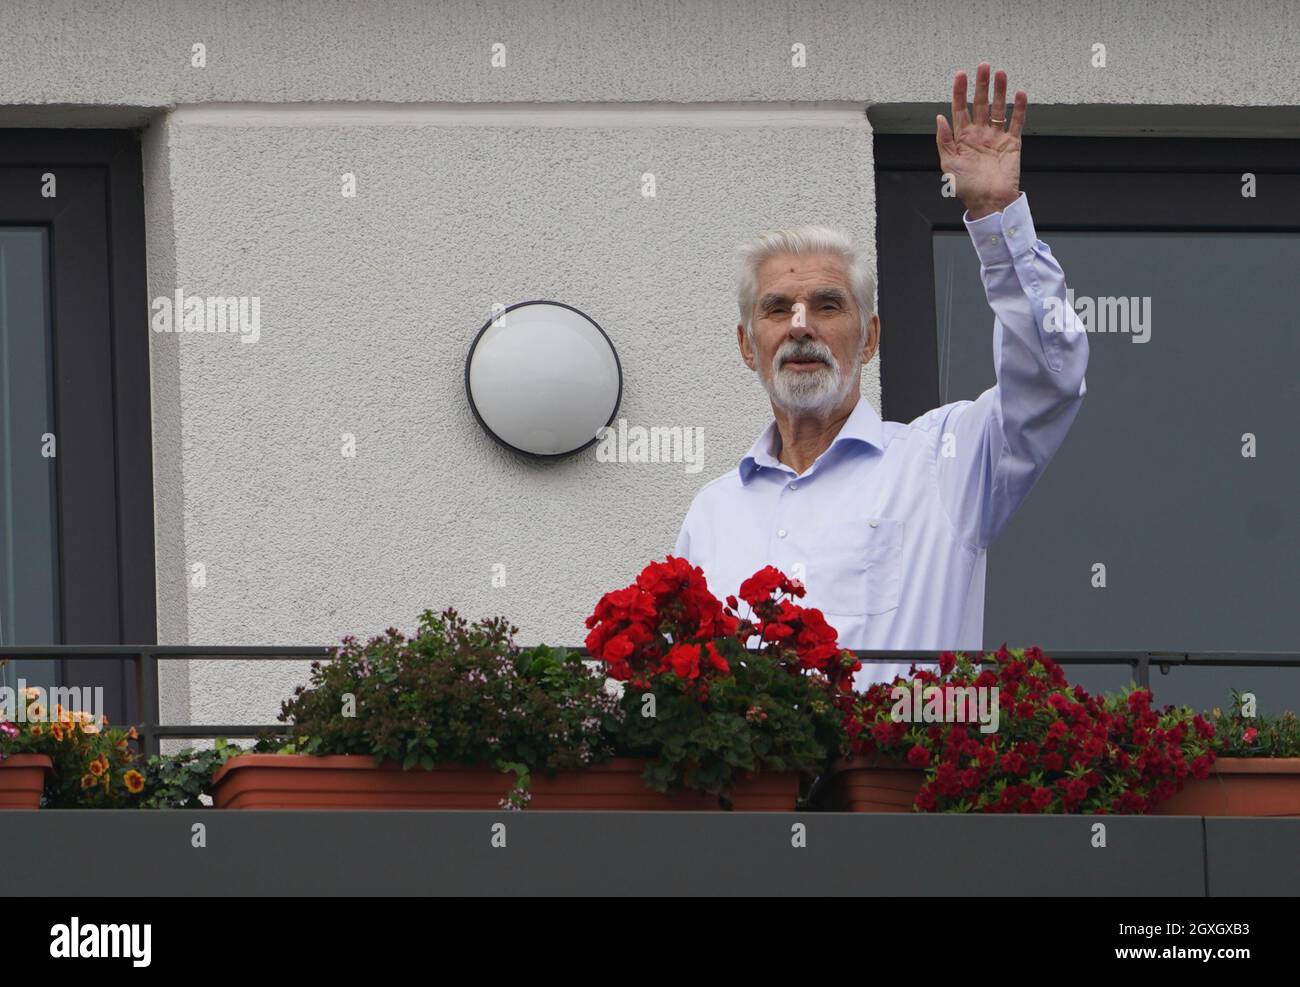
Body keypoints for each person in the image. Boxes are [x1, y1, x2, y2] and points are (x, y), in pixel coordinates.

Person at [673, 63, 1089, 690]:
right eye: (777, 309)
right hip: (749, 791)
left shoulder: (943, 460)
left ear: (868, 339)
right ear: (746, 346)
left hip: (893, 788)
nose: (801, 326)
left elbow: (1051, 377)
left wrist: (999, 218)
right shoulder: (712, 513)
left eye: (828, 305)